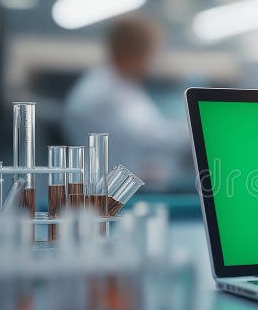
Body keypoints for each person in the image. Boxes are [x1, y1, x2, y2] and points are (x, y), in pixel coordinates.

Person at [64, 15, 189, 188]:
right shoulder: (102, 93)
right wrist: (196, 128)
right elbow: (149, 136)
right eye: (155, 51)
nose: (156, 59)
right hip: (109, 195)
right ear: (136, 51)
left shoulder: (121, 85)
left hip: (122, 188)